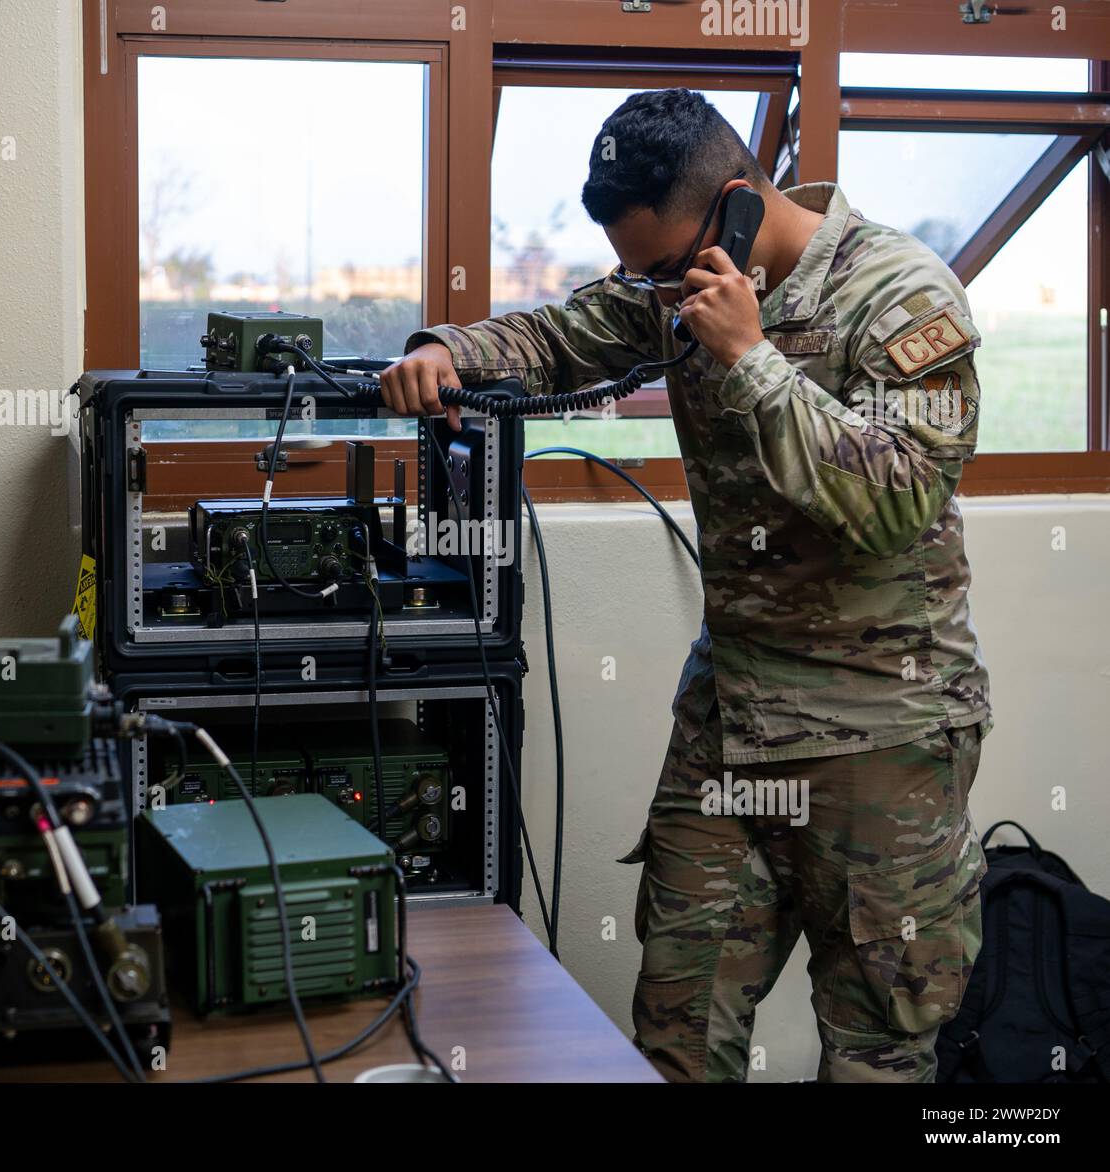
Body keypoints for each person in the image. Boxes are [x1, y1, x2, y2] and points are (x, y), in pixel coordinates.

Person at [378, 88, 991, 1083]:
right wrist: (447, 350)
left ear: (737, 205)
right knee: (676, 1027)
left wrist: (749, 357)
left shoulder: (901, 295)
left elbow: (896, 503)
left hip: (881, 733)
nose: (653, 296)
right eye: (640, 276)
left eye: (661, 271)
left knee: (877, 1050)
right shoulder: (678, 282)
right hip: (734, 717)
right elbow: (560, 336)